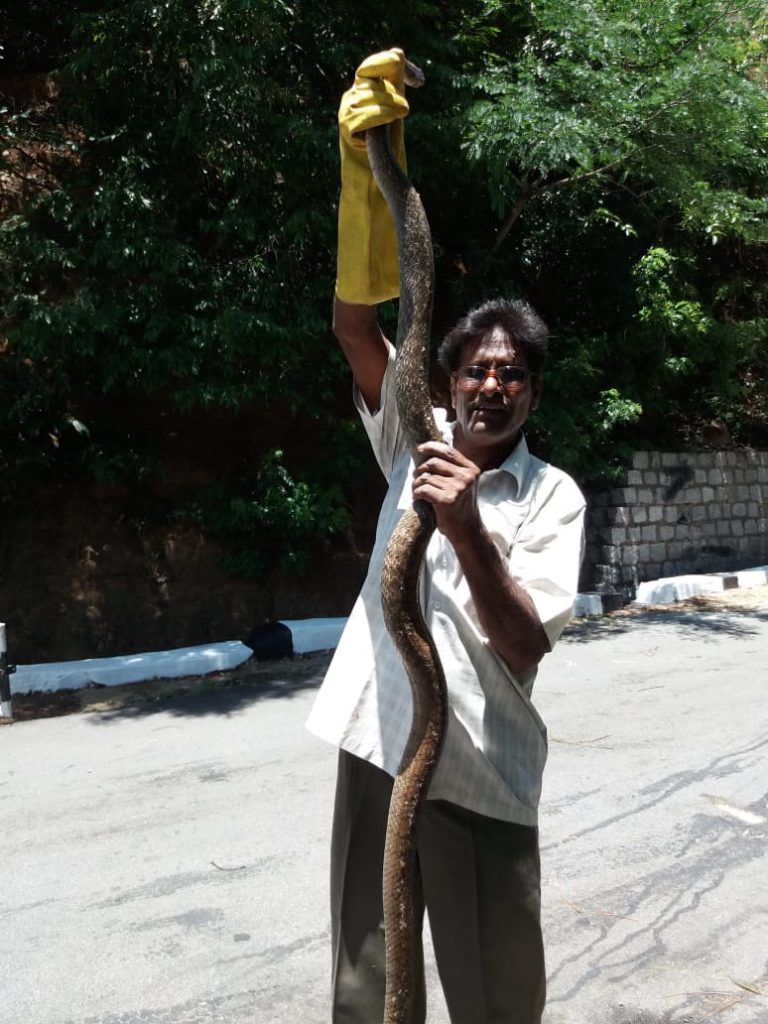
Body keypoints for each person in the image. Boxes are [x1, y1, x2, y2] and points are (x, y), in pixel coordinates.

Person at [306, 49, 586, 1024]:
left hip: (484, 772)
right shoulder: (410, 437)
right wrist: (366, 174)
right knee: (367, 987)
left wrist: (467, 528)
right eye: (475, 369)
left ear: (532, 393)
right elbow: (356, 329)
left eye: (512, 374)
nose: (491, 385)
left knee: (498, 999)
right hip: (377, 741)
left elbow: (524, 642)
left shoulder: (552, 496)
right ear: (450, 379)